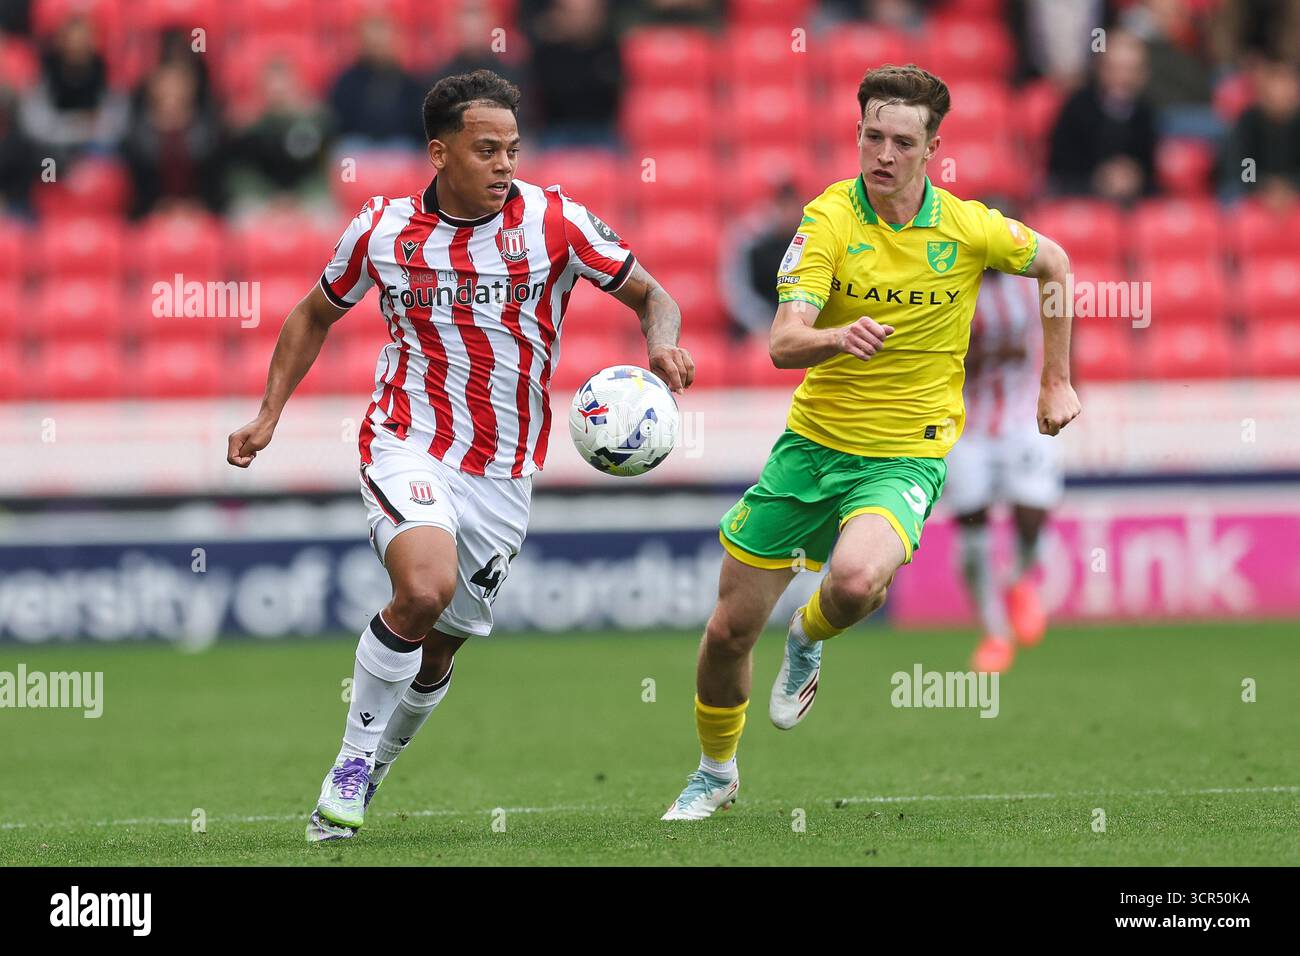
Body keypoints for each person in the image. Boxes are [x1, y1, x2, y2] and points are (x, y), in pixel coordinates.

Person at [225, 70, 694, 841]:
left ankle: (373, 771)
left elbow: (652, 294)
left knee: (440, 648)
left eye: (512, 149)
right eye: (486, 150)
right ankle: (347, 764)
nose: (505, 164)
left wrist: (663, 344)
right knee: (423, 589)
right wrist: (268, 413)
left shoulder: (555, 222)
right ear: (440, 153)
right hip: (406, 440)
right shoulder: (382, 233)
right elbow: (313, 314)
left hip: (505, 474)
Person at [660, 64, 1080, 821]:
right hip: (812, 449)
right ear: (857, 135)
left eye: (901, 141)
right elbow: (783, 343)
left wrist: (1055, 380)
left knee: (854, 583)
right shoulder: (827, 222)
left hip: (905, 453)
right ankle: (715, 771)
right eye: (871, 136)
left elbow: (1054, 261)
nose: (883, 153)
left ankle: (809, 637)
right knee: (727, 633)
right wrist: (833, 336)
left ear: (932, 149)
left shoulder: (966, 227)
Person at [945, 267, 1064, 674]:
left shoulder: (1031, 286)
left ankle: (1016, 580)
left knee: (1032, 516)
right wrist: (983, 352)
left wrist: (1063, 382)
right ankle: (995, 633)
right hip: (967, 428)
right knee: (972, 530)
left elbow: (1061, 322)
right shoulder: (954, 289)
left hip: (1022, 420)